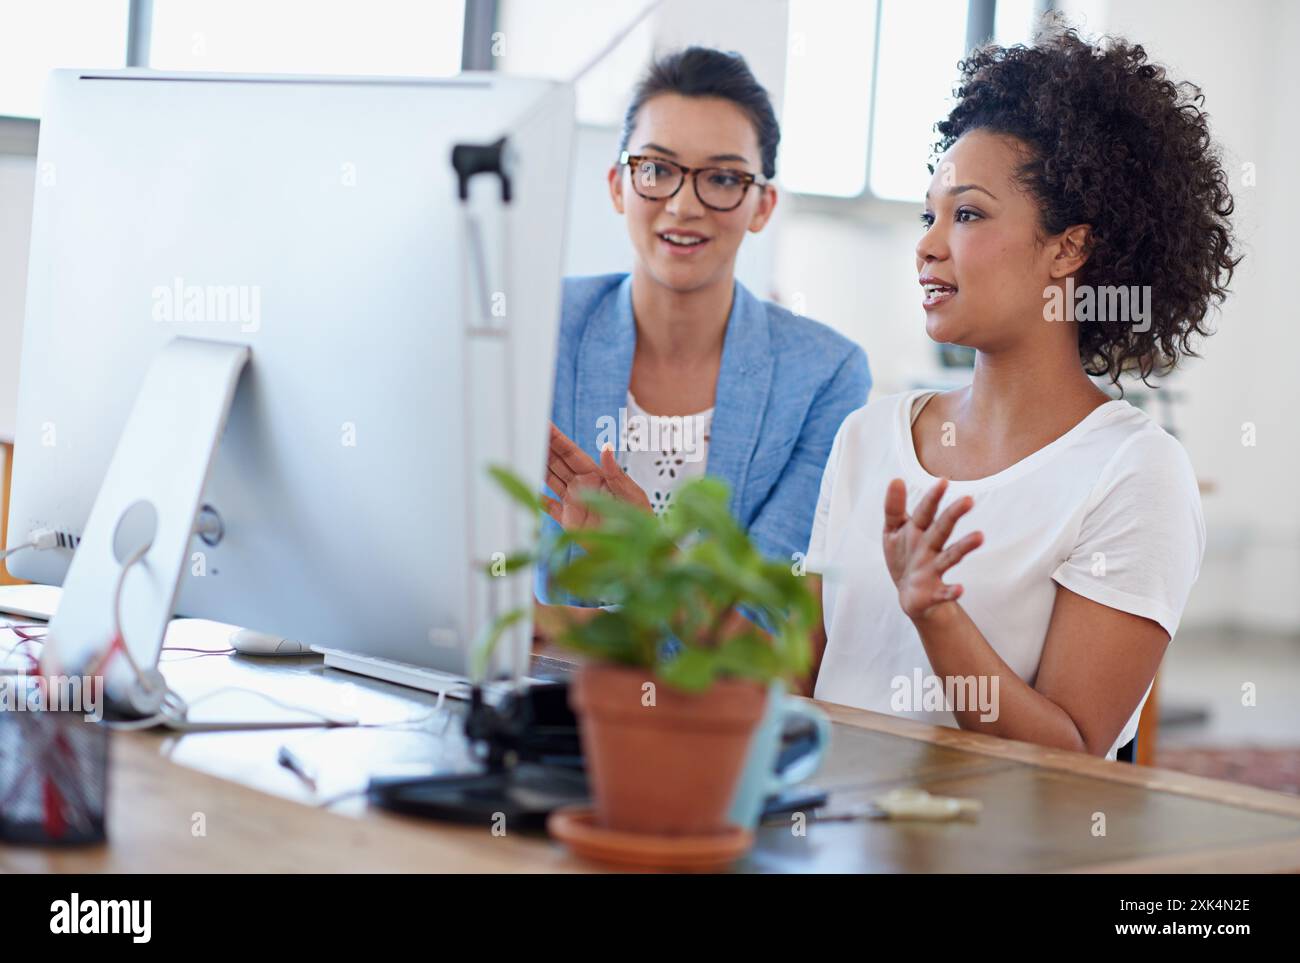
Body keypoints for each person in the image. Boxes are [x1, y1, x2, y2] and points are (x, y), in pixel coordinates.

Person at [806, 28, 1237, 759]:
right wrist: (653, 565)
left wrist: (937, 614)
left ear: (1068, 248)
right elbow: (790, 681)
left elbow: (1071, 758)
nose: (928, 244)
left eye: (967, 214)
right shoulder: (867, 436)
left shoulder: (1134, 474)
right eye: (929, 215)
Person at [537, 47, 870, 612]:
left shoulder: (825, 376)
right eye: (658, 170)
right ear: (618, 185)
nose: (684, 205)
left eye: (720, 178)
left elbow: (762, 622)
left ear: (762, 206)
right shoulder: (543, 328)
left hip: (714, 701)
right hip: (535, 692)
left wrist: (652, 561)